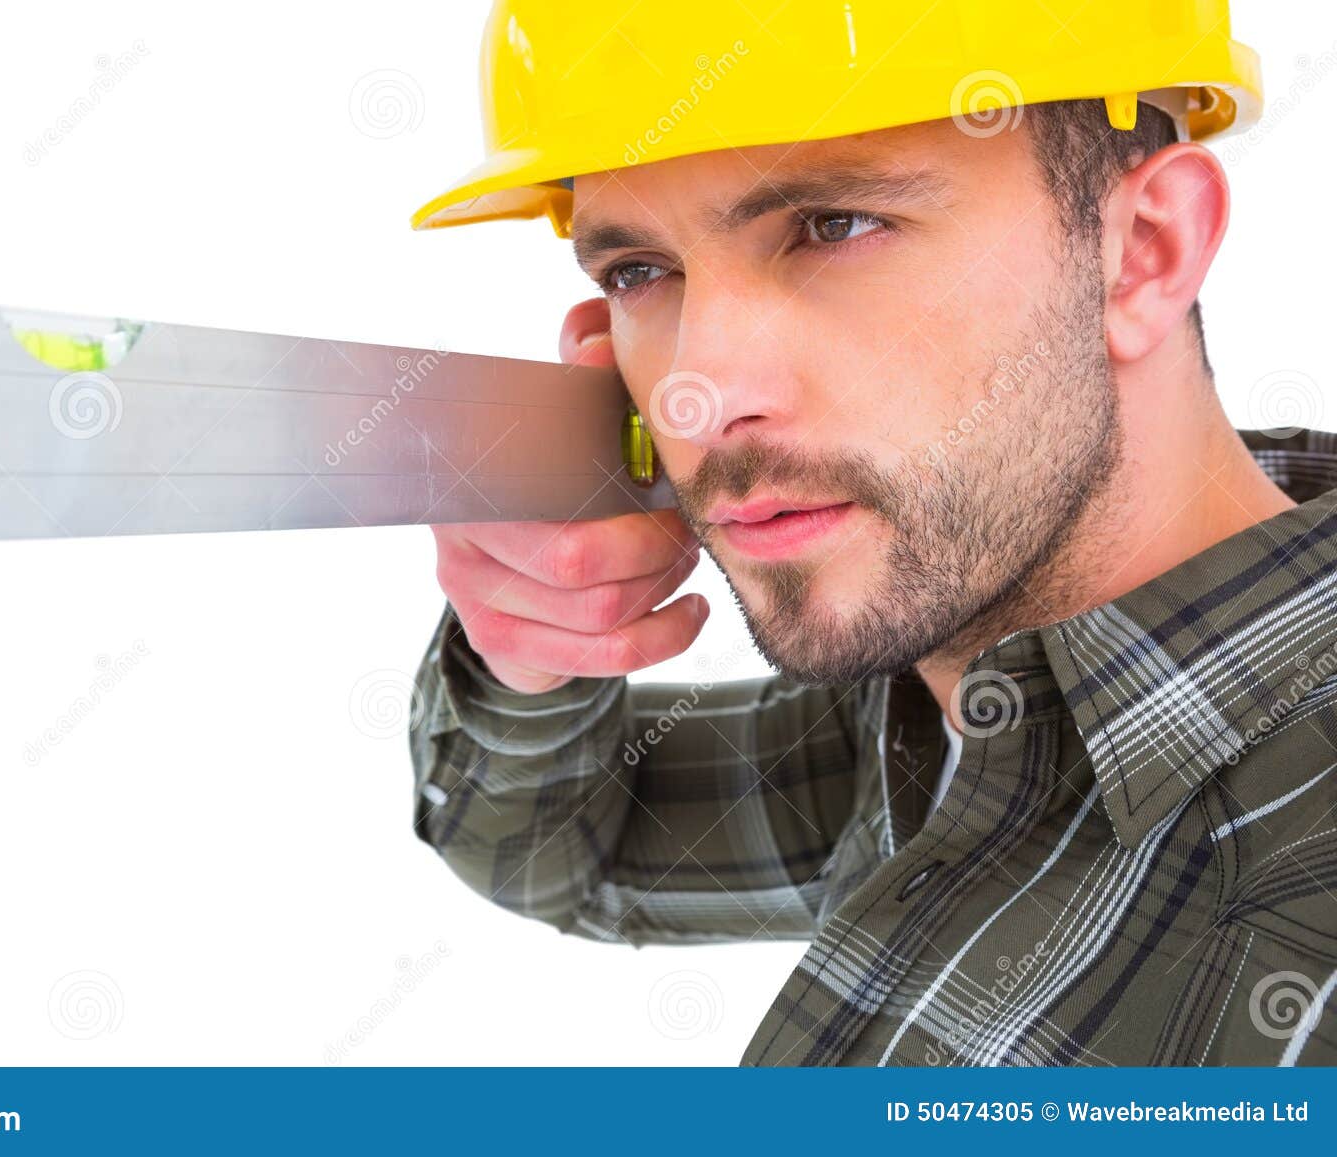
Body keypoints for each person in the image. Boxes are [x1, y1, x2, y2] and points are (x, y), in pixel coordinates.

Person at [406, 0, 1337, 1065]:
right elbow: (565, 843)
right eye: (637, 272)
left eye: (833, 225)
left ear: (1142, 251)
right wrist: (536, 657)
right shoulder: (941, 691)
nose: (696, 400)